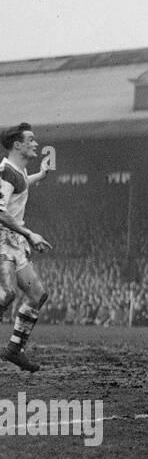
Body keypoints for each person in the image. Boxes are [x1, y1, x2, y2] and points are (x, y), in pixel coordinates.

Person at [0, 123, 53, 372]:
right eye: (30, 140)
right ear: (17, 145)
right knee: (7, 293)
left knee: (37, 295)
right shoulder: (5, 172)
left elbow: (21, 185)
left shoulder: (17, 172)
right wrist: (29, 233)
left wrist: (40, 175)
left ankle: (14, 350)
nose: (36, 144)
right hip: (1, 239)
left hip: (13, 241)